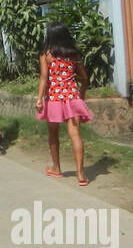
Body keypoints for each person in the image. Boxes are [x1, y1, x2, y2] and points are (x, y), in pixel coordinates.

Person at [35, 23, 92, 184]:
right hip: (72, 99)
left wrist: (39, 99)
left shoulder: (46, 55)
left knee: (53, 134)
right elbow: (84, 78)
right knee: (75, 135)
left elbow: (44, 78)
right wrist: (82, 94)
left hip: (54, 99)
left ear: (50, 37)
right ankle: (81, 175)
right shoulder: (73, 55)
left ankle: (56, 168)